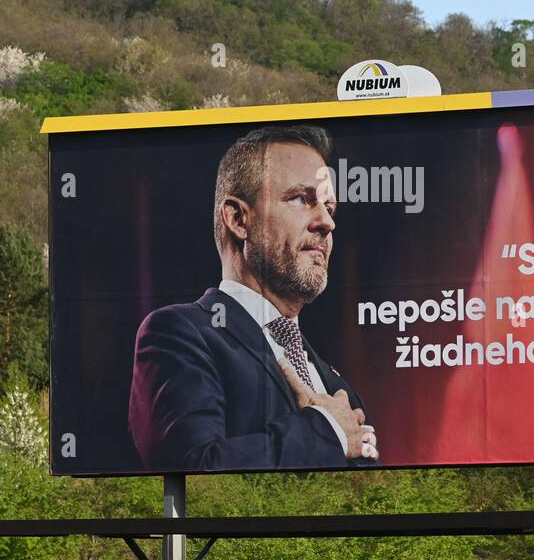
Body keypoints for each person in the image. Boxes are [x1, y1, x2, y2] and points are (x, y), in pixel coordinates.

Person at [128, 123, 379, 472]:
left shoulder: (338, 389)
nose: (326, 223)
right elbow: (193, 466)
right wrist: (326, 431)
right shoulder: (178, 334)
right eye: (300, 200)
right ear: (238, 219)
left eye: (329, 208)